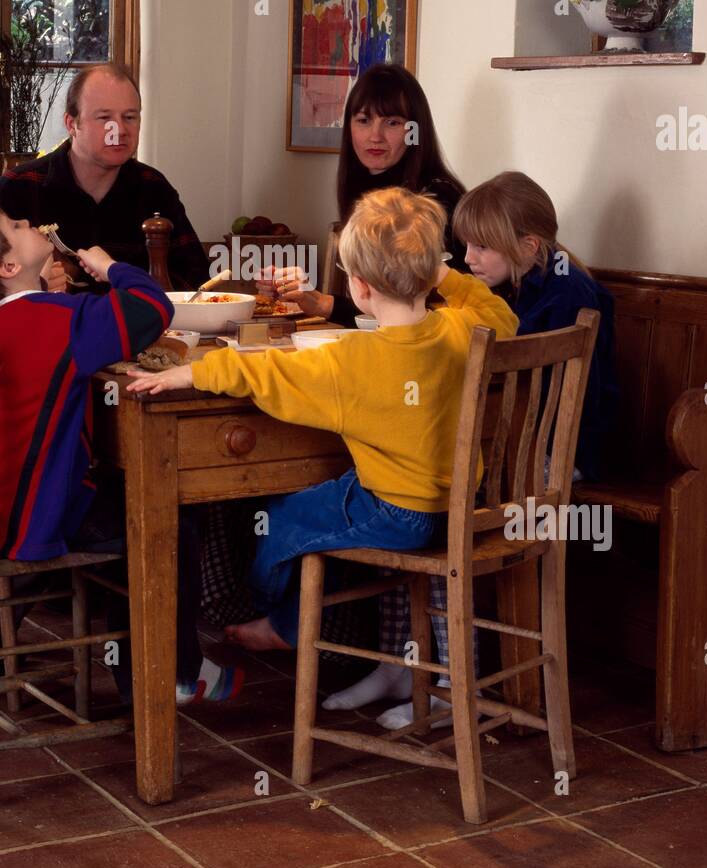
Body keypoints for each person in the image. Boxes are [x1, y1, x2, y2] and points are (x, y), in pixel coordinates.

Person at [127, 187, 519, 651]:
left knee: (278, 519)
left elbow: (264, 369)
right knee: (325, 512)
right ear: (429, 273)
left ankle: (265, 611)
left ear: (360, 287)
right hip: (461, 509)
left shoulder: (349, 359)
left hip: (396, 513)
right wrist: (444, 277)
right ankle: (303, 628)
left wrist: (189, 372)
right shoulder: (461, 330)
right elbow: (501, 314)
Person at [0, 201, 240, 705]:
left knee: (123, 500)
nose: (28, 222)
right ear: (7, 266)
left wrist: (48, 290)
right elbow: (153, 309)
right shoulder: (55, 319)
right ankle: (171, 674)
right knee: (165, 520)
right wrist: (112, 268)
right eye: (17, 225)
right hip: (38, 516)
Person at [333, 169, 621, 729]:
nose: (468, 258)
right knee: (397, 488)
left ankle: (446, 684)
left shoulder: (567, 295)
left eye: (480, 247)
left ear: (529, 247)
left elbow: (507, 374)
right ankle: (401, 662)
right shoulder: (519, 284)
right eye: (465, 244)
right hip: (508, 443)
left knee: (426, 504)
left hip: (560, 458)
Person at [260, 63, 466, 325]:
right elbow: (380, 311)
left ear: (415, 130)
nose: (375, 136)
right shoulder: (367, 191)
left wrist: (323, 303)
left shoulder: (436, 198)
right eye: (363, 120)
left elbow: (420, 313)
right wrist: (314, 300)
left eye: (392, 122)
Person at [0, 61, 210, 290]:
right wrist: (29, 288)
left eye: (130, 117)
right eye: (104, 118)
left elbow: (197, 284)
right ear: (72, 124)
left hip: (138, 326)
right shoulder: (15, 190)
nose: (120, 130)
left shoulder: (155, 189)